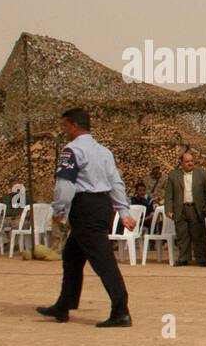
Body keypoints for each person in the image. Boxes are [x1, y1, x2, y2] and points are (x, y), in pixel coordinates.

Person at [35, 107, 135, 326]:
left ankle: (121, 311)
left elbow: (65, 185)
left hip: (85, 207)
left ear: (74, 125)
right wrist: (123, 211)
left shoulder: (71, 151)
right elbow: (116, 183)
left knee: (103, 261)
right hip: (102, 206)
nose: (64, 131)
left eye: (65, 126)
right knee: (72, 255)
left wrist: (59, 210)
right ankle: (63, 305)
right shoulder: (104, 151)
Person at [163, 150, 206, 267]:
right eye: (187, 161)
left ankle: (201, 259)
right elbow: (169, 194)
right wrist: (168, 209)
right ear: (181, 163)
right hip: (181, 208)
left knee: (199, 235)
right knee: (182, 234)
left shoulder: (202, 174)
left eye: (192, 161)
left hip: (196, 208)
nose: (190, 163)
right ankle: (183, 258)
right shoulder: (174, 175)